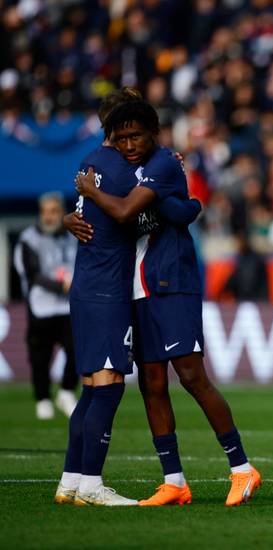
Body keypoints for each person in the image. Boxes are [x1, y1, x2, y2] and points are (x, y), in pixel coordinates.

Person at [74, 99, 260, 507]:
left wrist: (90, 190)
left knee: (192, 377)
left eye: (135, 135)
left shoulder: (161, 164)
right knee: (152, 385)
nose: (128, 144)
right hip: (135, 288)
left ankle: (242, 468)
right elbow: (162, 211)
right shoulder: (125, 168)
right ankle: (174, 481)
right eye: (120, 138)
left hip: (171, 282)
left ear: (152, 132)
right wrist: (76, 214)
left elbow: (125, 212)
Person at [54, 89, 145, 507]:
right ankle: (92, 484)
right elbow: (139, 211)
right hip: (109, 290)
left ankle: (71, 481)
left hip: (85, 286)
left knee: (91, 387)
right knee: (108, 386)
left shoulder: (90, 163)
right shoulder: (124, 171)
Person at [13, 192, 78, 420]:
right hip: (41, 307)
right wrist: (60, 285)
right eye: (45, 211)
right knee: (39, 356)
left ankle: (67, 391)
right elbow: (31, 274)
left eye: (54, 211)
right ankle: (42, 398)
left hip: (68, 307)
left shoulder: (73, 236)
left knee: (76, 351)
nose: (49, 216)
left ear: (61, 212)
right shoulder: (28, 239)